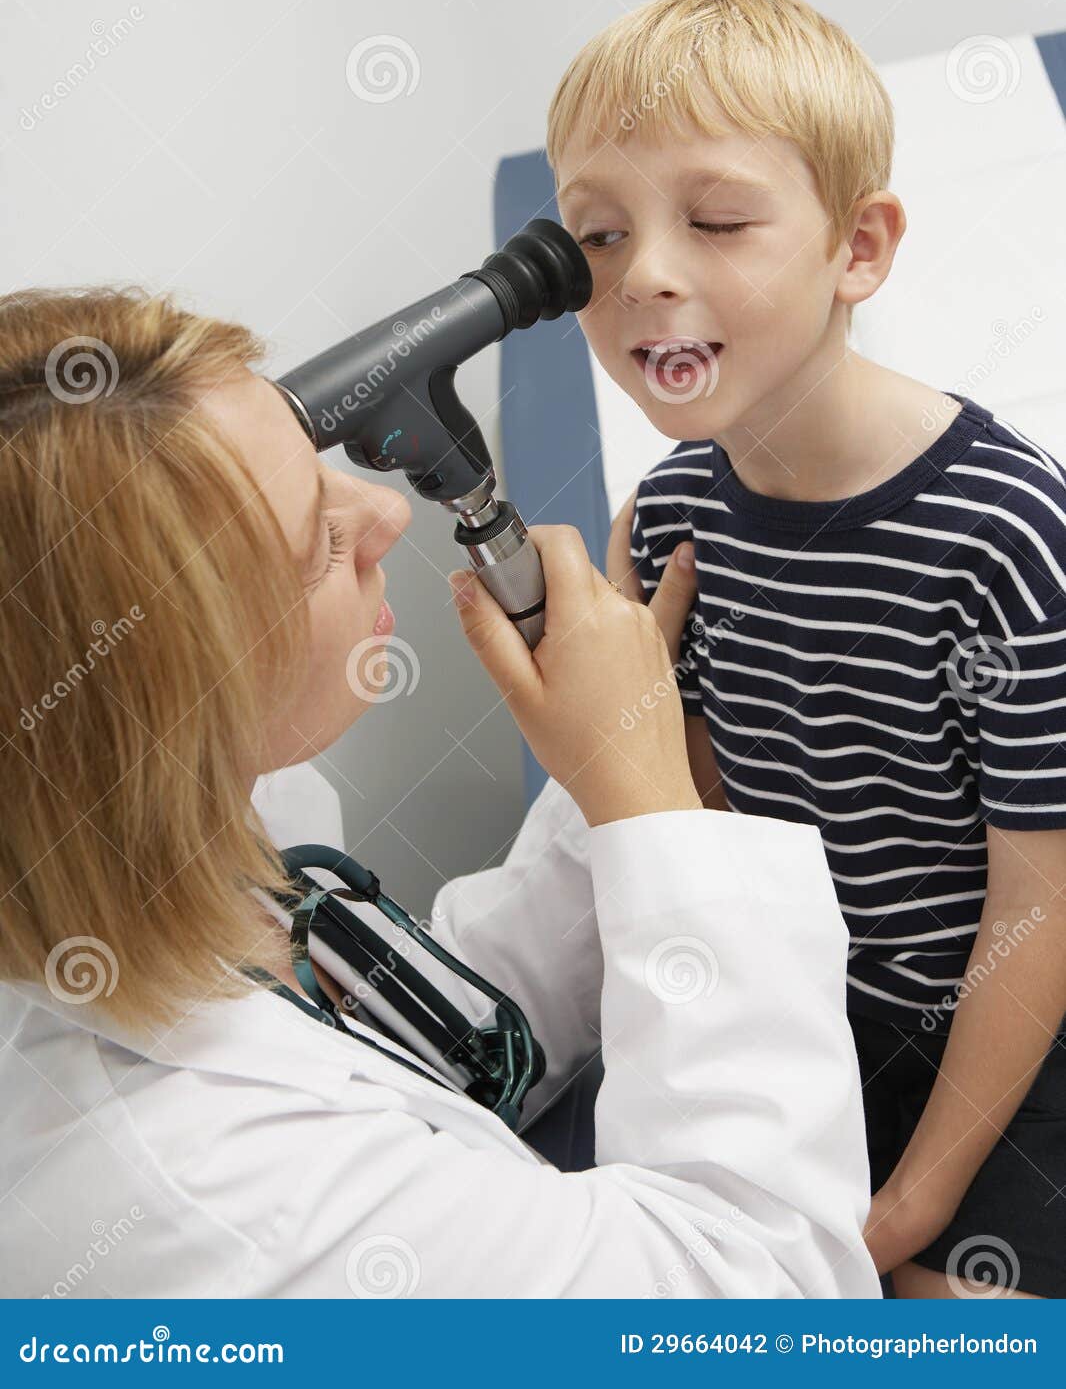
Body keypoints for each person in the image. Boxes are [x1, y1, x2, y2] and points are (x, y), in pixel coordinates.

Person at [0, 286, 880, 1299]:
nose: (379, 511)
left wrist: (622, 769)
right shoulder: (227, 1200)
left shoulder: (133, 836)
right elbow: (762, 1300)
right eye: (318, 543)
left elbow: (396, 1045)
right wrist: (650, 810)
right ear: (164, 709)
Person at [549, 0, 1066, 1299]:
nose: (644, 273)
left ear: (856, 247)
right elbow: (700, 807)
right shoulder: (663, 519)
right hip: (808, 990)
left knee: (946, 1308)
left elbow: (1040, 899)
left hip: (1005, 1005)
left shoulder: (1004, 531)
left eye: (714, 220)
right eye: (596, 238)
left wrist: (918, 1197)